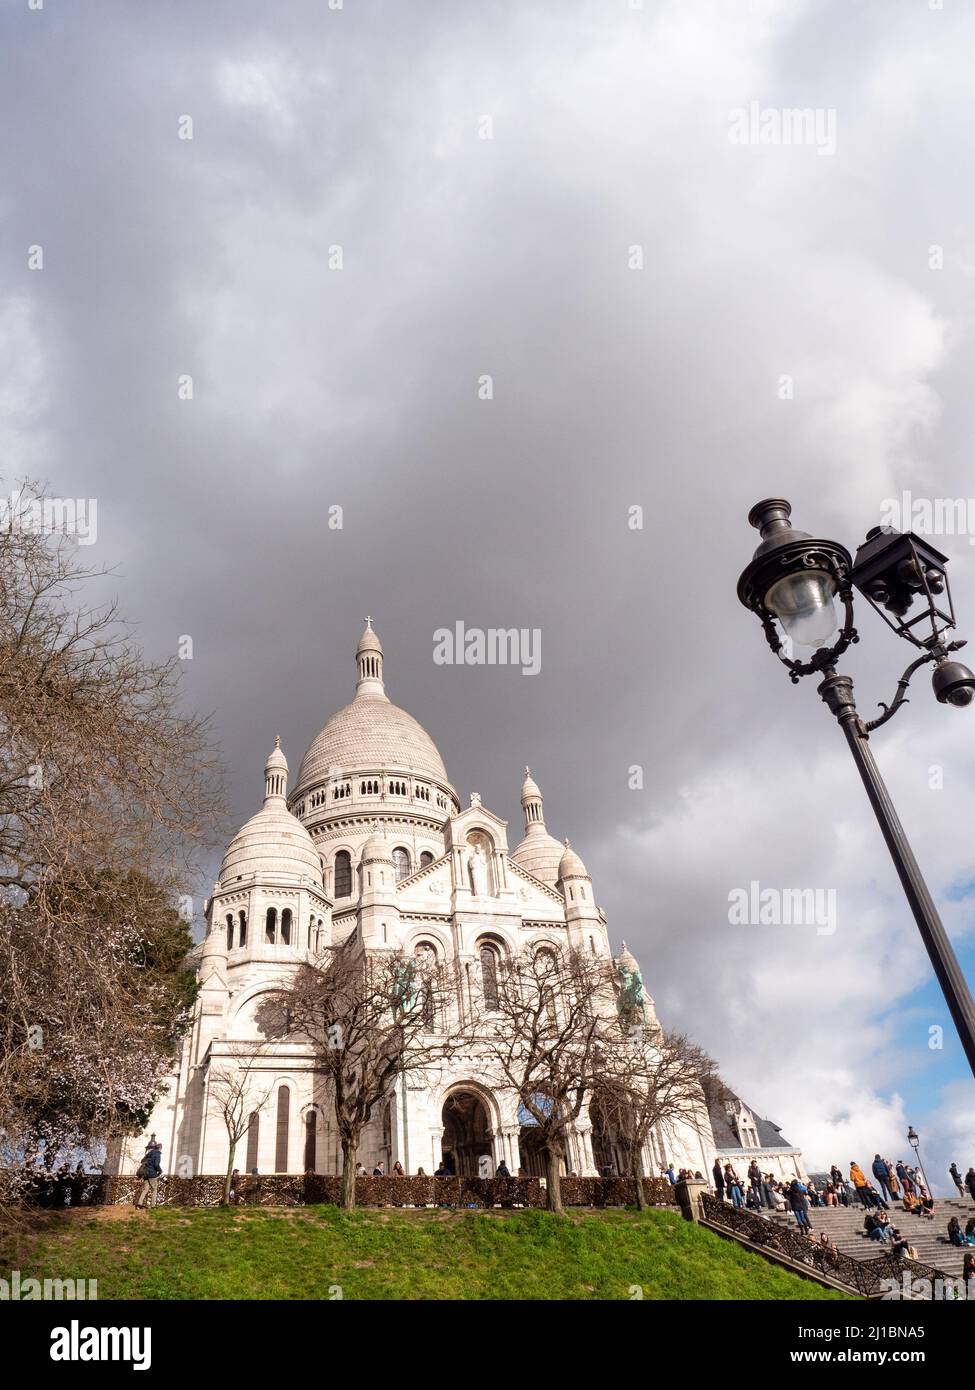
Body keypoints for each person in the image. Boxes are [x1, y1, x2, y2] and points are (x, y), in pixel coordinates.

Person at [135, 1142, 162, 1209]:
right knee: (154, 1189)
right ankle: (153, 1205)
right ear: (160, 1148)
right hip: (152, 1174)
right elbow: (156, 1165)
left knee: (145, 1189)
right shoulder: (157, 1154)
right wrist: (160, 1170)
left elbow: (142, 1161)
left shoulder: (149, 1154)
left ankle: (139, 1204)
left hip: (145, 1173)